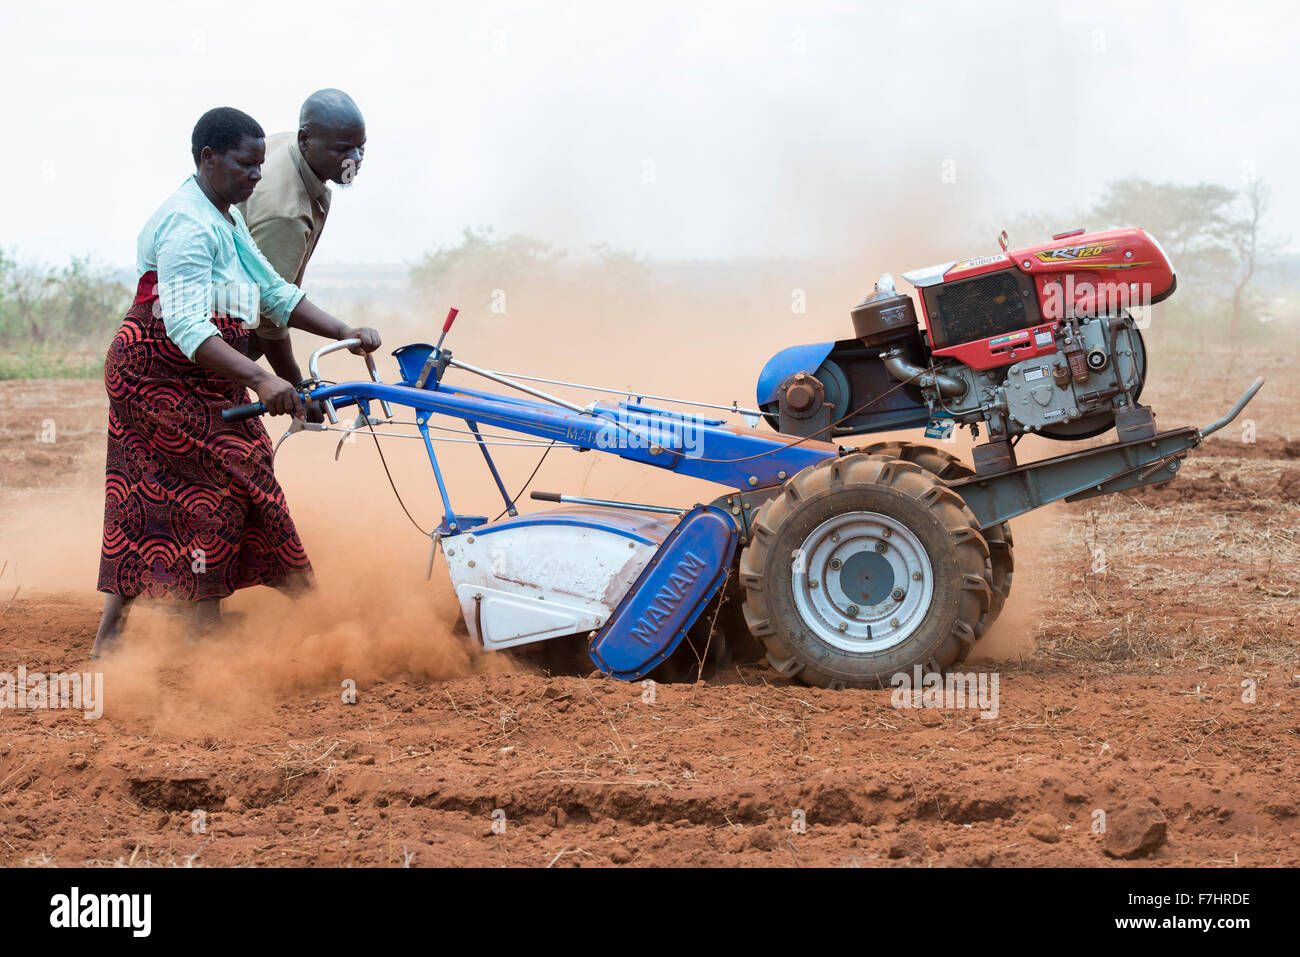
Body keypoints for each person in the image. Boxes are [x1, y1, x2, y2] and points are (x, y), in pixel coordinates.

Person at [90, 106, 381, 657]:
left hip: (206, 373)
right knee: (165, 490)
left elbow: (272, 291)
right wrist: (263, 379)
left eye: (260, 165)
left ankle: (197, 618)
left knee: (201, 486)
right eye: (245, 165)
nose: (255, 176)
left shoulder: (228, 215)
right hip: (156, 373)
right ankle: (141, 631)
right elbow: (183, 325)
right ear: (208, 158)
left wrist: (343, 330)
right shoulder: (187, 223)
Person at [237, 89, 366, 377]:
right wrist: (297, 386)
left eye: (361, 146)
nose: (354, 159)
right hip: (213, 344)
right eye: (343, 149)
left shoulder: (287, 146)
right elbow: (270, 312)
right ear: (305, 140)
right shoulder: (286, 213)